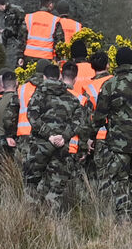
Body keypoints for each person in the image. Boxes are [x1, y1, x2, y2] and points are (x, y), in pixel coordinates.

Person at [88, 47, 132, 218]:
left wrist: (90, 137)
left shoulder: (110, 85)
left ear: (116, 62)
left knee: (120, 179)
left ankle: (124, 216)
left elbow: (99, 116)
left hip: (118, 143)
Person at [26, 63, 87, 211]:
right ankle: (51, 220)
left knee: (32, 183)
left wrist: (48, 135)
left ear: (44, 77)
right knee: (55, 186)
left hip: (39, 146)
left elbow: (32, 116)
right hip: (61, 147)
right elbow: (79, 122)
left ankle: (32, 219)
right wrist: (64, 137)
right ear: (59, 77)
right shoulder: (72, 99)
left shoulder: (39, 94)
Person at [23, 0, 65, 64]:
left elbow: (22, 39)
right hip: (46, 58)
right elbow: (59, 43)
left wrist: (20, 56)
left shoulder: (29, 18)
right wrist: (58, 58)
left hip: (29, 57)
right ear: (51, 5)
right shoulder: (55, 20)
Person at [0, 0, 26, 69]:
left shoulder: (12, 12)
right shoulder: (14, 9)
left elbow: (15, 30)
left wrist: (4, 32)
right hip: (21, 41)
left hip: (19, 42)